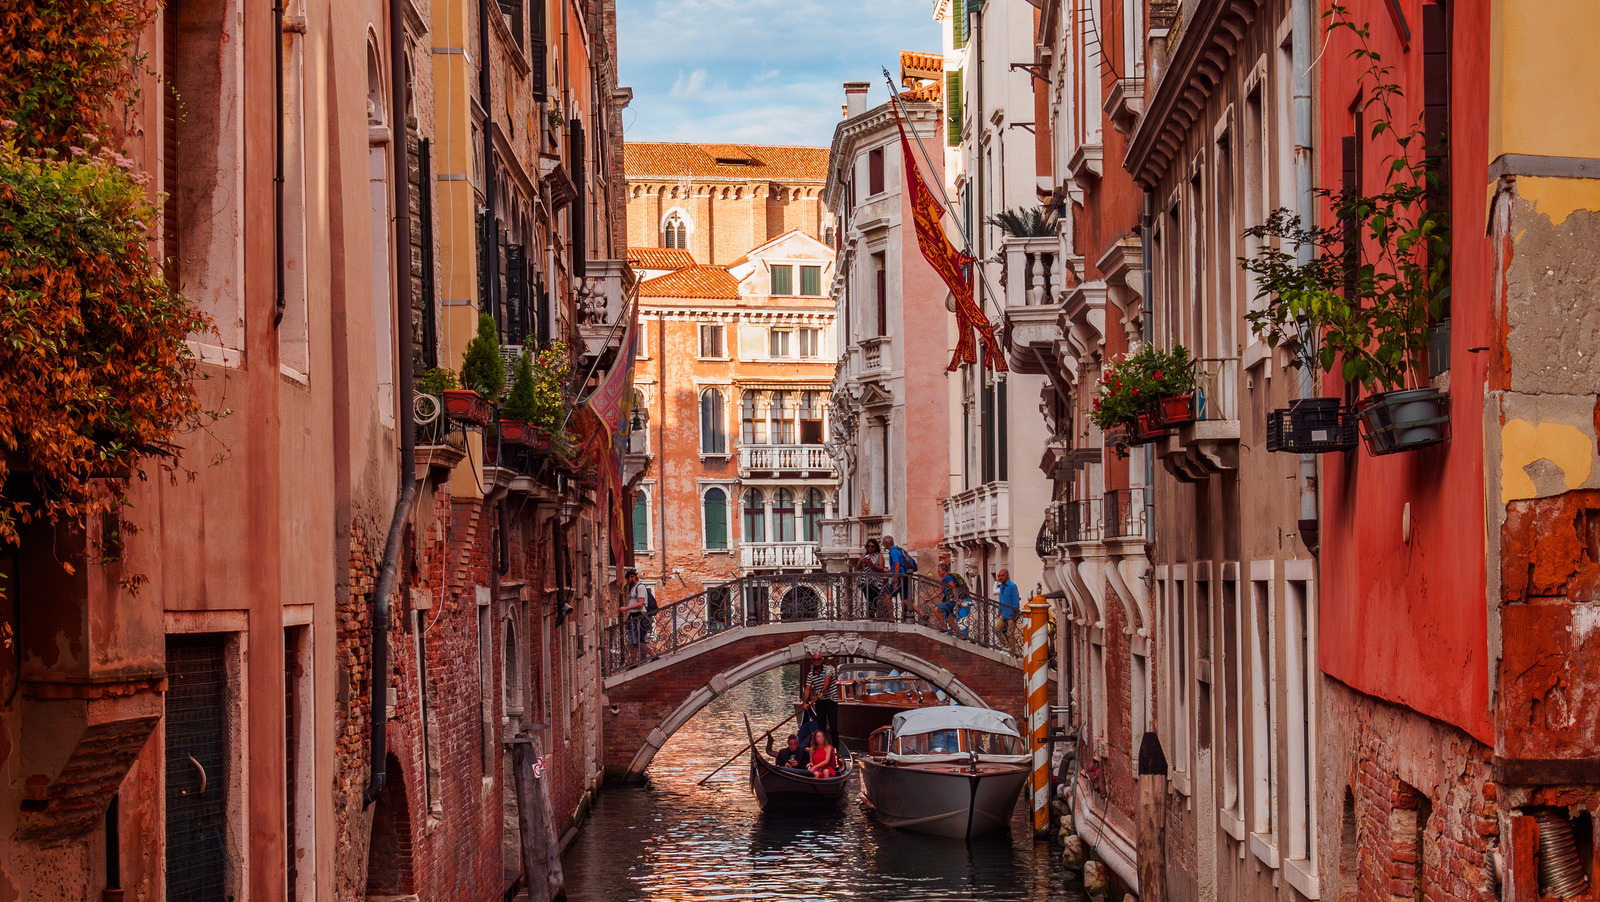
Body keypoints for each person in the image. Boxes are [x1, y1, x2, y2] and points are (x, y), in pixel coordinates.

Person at [802, 651, 840, 745]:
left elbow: (827, 681)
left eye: (819, 659)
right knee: (821, 727)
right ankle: (822, 748)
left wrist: (822, 692)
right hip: (820, 702)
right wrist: (805, 703)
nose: (817, 661)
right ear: (812, 661)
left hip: (831, 701)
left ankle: (836, 750)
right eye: (815, 659)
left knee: (833, 726)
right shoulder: (811, 674)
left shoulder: (828, 670)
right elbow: (807, 689)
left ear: (822, 660)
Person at [621, 569, 655, 664]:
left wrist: (626, 608)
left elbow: (640, 604)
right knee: (632, 641)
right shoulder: (633, 588)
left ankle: (654, 656)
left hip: (639, 616)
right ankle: (633, 662)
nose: (627, 581)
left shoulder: (640, 587)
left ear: (632, 577)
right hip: (633, 617)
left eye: (628, 579)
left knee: (641, 639)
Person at [857, 539, 889, 618]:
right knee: (868, 598)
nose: (870, 548)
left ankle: (871, 614)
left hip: (876, 581)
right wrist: (861, 561)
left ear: (876, 547)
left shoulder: (879, 556)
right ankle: (870, 614)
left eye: (872, 546)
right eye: (868, 546)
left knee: (873, 598)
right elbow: (858, 567)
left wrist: (872, 564)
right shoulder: (863, 555)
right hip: (865, 580)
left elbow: (881, 568)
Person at [883, 535, 911, 618]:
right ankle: (921, 614)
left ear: (886, 543)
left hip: (899, 577)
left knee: (887, 596)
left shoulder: (893, 551)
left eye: (883, 543)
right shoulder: (897, 549)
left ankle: (891, 618)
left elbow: (897, 566)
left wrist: (895, 582)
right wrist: (888, 570)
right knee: (905, 599)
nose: (883, 545)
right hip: (904, 576)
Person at [995, 568, 1021, 636]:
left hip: (1011, 614)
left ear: (1007, 576)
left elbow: (1016, 599)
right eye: (999, 575)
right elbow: (1001, 598)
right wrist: (1000, 610)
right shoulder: (1001, 586)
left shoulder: (1012, 586)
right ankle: (1006, 646)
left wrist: (1015, 613)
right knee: (997, 629)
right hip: (1003, 613)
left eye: (1002, 575)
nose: (1000, 577)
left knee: (1010, 634)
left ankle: (1011, 647)